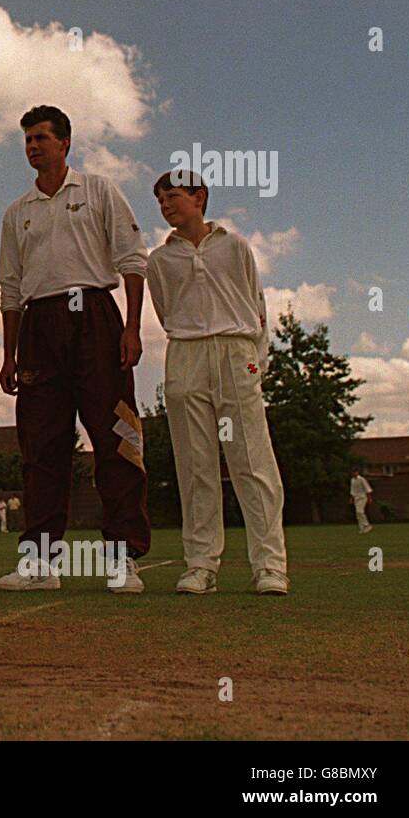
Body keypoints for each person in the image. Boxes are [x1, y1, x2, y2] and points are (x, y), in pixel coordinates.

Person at [0, 105, 150, 593]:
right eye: (27, 140)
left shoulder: (100, 190)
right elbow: (10, 289)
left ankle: (123, 559)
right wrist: (8, 354)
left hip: (97, 318)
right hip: (40, 326)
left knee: (116, 436)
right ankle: (40, 562)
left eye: (41, 138)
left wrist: (132, 328)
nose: (33, 146)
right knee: (41, 447)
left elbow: (132, 260)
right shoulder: (17, 212)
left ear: (65, 143)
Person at [147, 170, 288, 596]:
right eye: (160, 200)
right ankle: (200, 565)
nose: (165, 205)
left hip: (235, 351)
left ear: (199, 197)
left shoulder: (235, 246)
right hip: (186, 353)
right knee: (194, 465)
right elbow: (166, 311)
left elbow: (256, 304)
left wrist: (254, 363)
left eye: (172, 196)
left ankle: (270, 566)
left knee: (252, 461)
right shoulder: (159, 260)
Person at [350, 469, 374, 534]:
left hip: (363, 497)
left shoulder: (362, 479)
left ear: (357, 472)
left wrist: (369, 498)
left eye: (355, 472)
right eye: (352, 472)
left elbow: (367, 489)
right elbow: (352, 490)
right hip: (356, 498)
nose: (354, 473)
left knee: (359, 511)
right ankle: (362, 528)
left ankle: (367, 525)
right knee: (357, 514)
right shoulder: (352, 480)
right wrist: (351, 498)